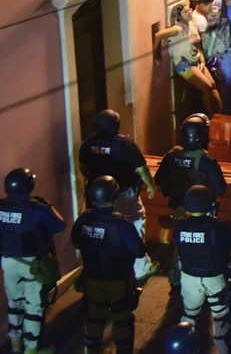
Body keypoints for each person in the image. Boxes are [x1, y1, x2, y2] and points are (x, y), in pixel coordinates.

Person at [78, 109, 157, 281]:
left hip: (98, 196)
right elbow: (141, 168)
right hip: (124, 193)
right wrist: (150, 186)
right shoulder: (124, 144)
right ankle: (140, 268)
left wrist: (93, 183)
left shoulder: (88, 144)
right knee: (135, 223)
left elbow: (83, 166)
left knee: (103, 228)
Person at [71, 176, 147, 354]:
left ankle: (92, 350)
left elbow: (76, 242)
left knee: (94, 316)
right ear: (114, 196)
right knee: (122, 319)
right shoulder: (122, 225)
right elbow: (139, 251)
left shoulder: (82, 220)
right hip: (118, 280)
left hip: (92, 278)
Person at [0, 168, 65, 354]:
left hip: (7, 262)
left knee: (14, 304)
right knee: (33, 307)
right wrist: (48, 205)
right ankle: (31, 349)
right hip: (32, 265)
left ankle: (15, 343)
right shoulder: (38, 209)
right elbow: (59, 227)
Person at [173, 186, 231, 354]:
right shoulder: (217, 226)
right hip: (214, 279)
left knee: (189, 317)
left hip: (189, 278)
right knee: (221, 317)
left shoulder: (179, 225)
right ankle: (223, 350)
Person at [154, 2, 222, 115]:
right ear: (179, 16)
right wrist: (157, 54)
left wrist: (202, 60)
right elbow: (158, 35)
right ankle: (212, 118)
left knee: (213, 85)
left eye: (189, 9)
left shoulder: (192, 24)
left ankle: (222, 113)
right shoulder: (177, 29)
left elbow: (197, 44)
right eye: (186, 11)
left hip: (196, 60)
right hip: (184, 64)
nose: (190, 12)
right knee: (207, 88)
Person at [154, 114, 227, 217]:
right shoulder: (206, 160)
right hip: (202, 214)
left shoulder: (171, 155)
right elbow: (221, 188)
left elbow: (158, 179)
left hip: (178, 211)